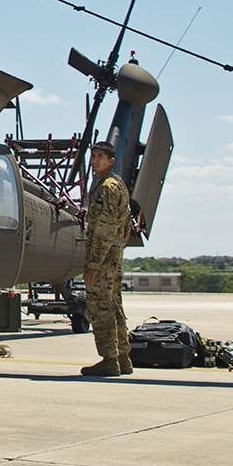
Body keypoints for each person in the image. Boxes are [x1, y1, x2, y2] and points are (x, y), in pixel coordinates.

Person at [81, 144, 135, 376]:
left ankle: (109, 360)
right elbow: (126, 224)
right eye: (93, 157)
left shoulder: (106, 188)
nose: (95, 161)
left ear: (111, 161)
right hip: (113, 253)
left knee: (100, 306)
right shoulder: (116, 184)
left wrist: (95, 263)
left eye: (100, 157)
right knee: (114, 305)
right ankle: (123, 358)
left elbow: (105, 227)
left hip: (103, 256)